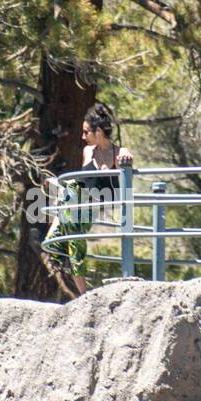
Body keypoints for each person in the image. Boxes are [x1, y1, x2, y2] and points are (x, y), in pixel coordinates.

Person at [44, 103, 133, 295]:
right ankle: (83, 294)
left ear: (98, 131)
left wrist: (126, 158)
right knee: (57, 243)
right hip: (76, 201)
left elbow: (126, 171)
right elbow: (82, 180)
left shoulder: (119, 154)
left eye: (86, 132)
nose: (83, 137)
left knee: (69, 243)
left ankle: (84, 295)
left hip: (92, 205)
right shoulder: (88, 152)